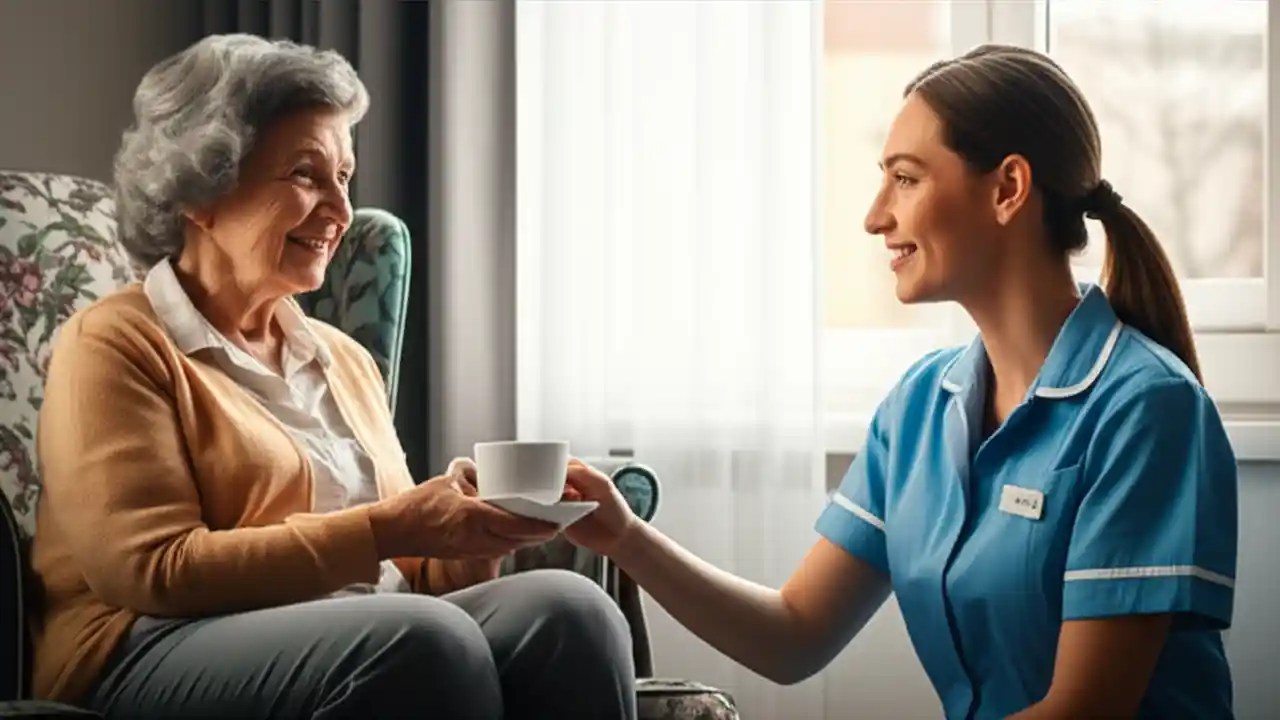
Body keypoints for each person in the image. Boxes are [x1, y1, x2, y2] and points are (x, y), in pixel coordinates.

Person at [563, 44, 1237, 720]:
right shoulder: (920, 406)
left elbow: (1084, 710)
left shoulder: (1148, 409)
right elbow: (794, 634)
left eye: (906, 179)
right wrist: (624, 537)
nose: (875, 215)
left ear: (1007, 189)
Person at [31, 34, 635, 719]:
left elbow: (416, 574)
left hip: (373, 628)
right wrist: (384, 529)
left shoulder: (339, 357)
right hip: (146, 647)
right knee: (423, 641)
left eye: (343, 177)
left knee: (571, 609)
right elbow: (150, 571)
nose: (342, 211)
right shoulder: (115, 343)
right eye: (305, 175)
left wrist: (471, 536)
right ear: (201, 194)